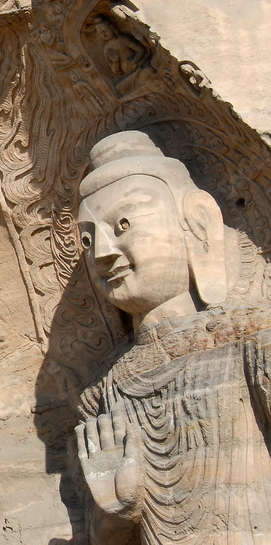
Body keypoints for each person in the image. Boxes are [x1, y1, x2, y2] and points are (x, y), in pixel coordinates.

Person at [75, 130, 271, 544]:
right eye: (89, 239)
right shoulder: (104, 393)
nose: (103, 253)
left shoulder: (253, 343)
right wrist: (114, 514)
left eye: (123, 224)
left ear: (197, 224)